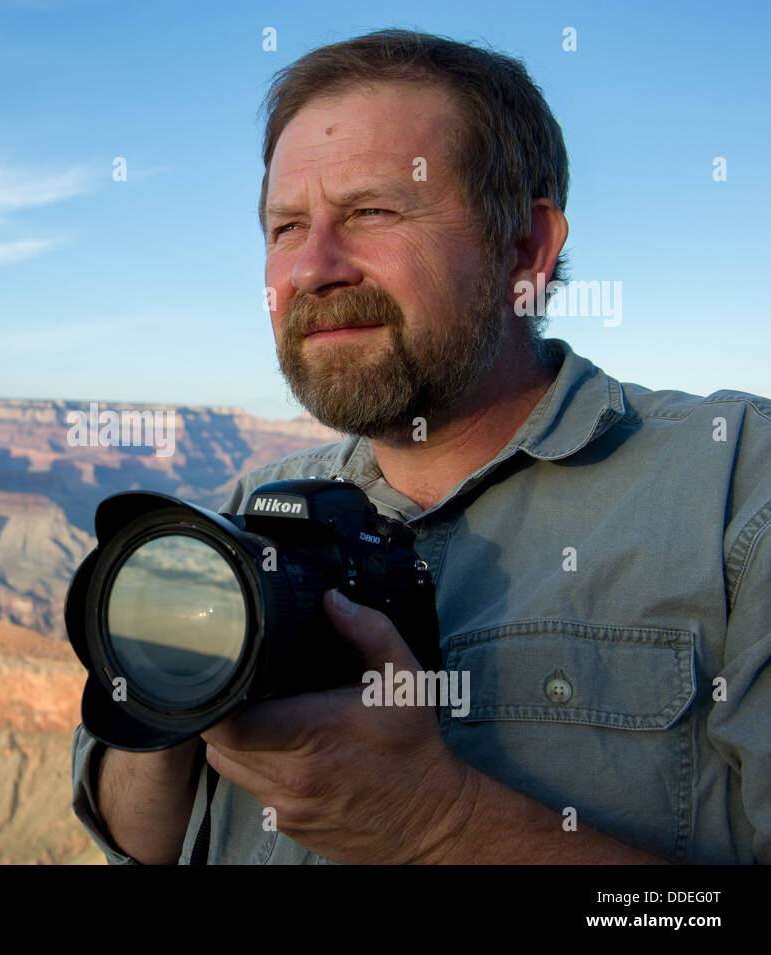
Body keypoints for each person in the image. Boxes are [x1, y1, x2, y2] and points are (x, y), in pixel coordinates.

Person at [70, 28, 771, 864]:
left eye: (372, 212)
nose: (312, 268)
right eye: (286, 226)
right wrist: (179, 676)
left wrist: (440, 824)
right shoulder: (250, 516)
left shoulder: (735, 493)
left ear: (525, 250)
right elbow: (132, 841)